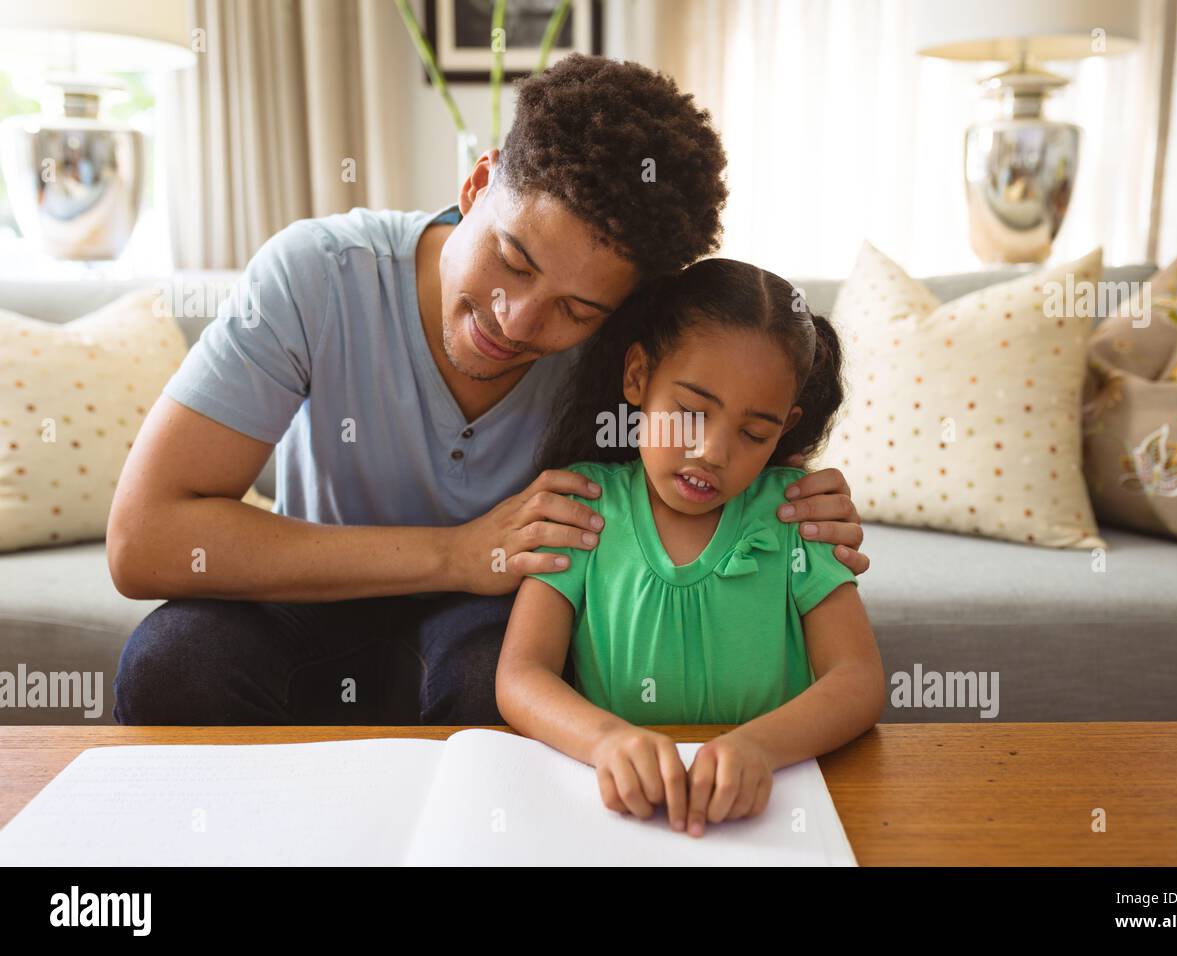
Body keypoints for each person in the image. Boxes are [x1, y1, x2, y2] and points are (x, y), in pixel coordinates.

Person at [107, 55, 871, 726]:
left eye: (577, 309)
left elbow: (722, 416)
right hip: (317, 586)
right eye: (513, 259)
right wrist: (454, 555)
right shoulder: (316, 275)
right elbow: (142, 540)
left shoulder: (627, 346)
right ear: (477, 183)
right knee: (172, 664)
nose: (516, 322)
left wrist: (792, 491)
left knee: (486, 685)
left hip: (494, 620)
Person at [496, 258, 885, 835]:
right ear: (637, 377)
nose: (712, 451)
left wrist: (759, 747)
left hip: (777, 812)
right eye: (691, 412)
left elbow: (858, 680)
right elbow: (521, 675)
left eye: (754, 433)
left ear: (784, 427)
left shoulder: (796, 514)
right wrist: (606, 740)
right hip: (620, 817)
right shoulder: (582, 506)